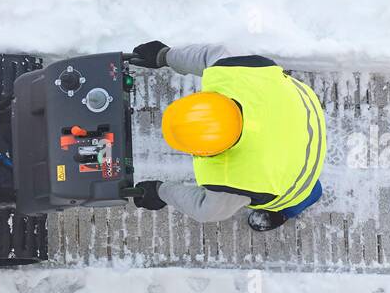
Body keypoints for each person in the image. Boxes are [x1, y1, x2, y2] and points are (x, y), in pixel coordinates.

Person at [128, 41, 326, 231]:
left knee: (300, 191)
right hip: (304, 110)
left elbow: (204, 210)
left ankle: (298, 203)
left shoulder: (236, 183)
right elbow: (207, 55)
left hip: (300, 167)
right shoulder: (234, 71)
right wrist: (164, 56)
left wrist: (160, 192)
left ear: (207, 152)